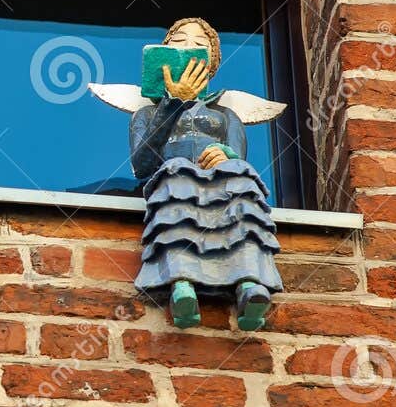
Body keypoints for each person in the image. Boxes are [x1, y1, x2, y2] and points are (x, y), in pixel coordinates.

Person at [90, 17, 284, 330]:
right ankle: (182, 284)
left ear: (211, 64)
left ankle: (250, 283)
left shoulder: (225, 114)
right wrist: (173, 104)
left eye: (198, 45)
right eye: (178, 43)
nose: (187, 48)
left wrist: (227, 155)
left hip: (220, 180)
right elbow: (142, 164)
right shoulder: (147, 113)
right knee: (176, 176)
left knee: (240, 185)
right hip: (175, 180)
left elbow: (240, 156)